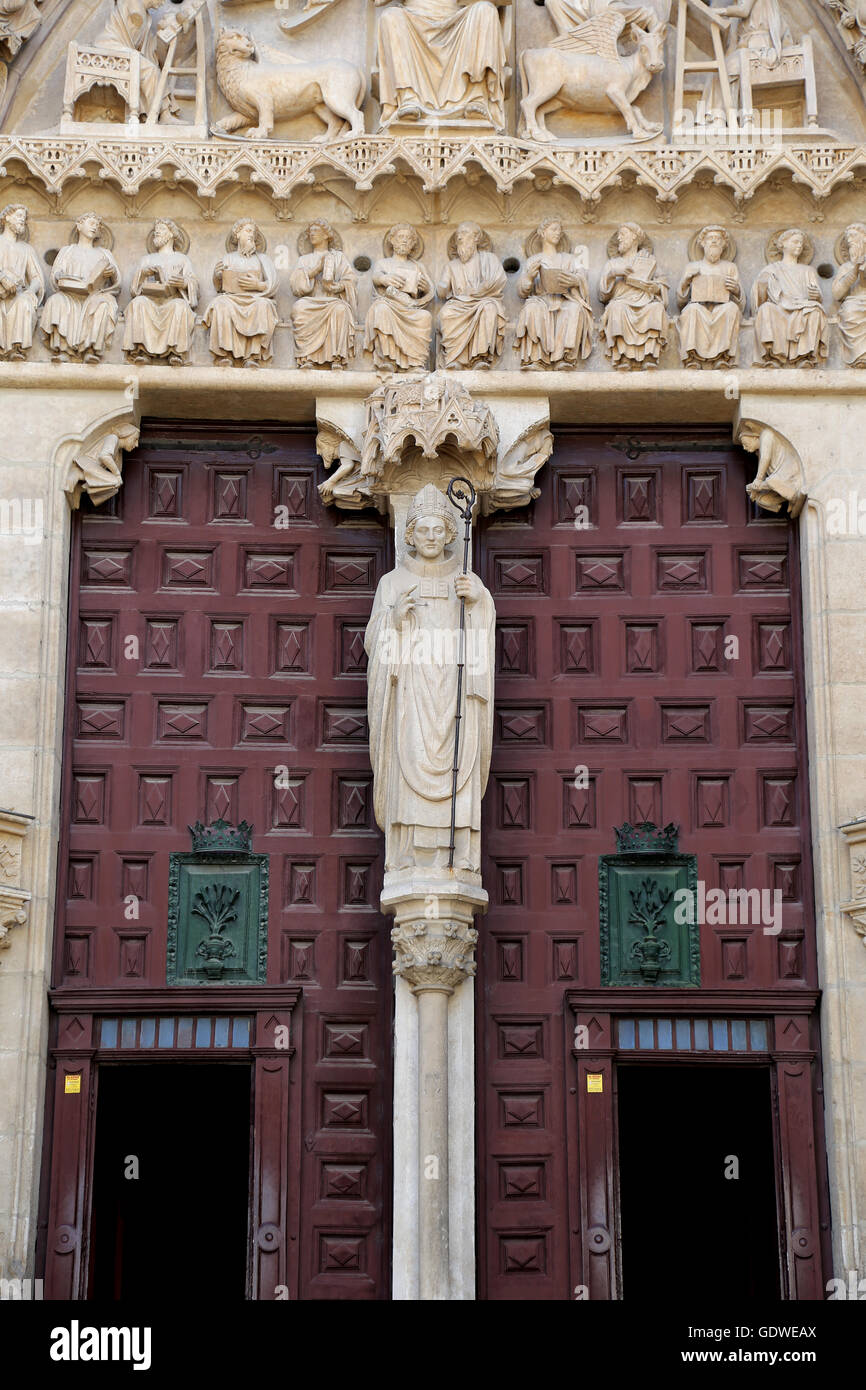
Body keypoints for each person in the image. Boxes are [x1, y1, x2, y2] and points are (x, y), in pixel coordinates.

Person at [364, 483, 495, 876]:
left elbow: (481, 640)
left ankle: (459, 854)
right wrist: (395, 618)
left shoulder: (466, 581)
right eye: (424, 530)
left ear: (451, 533)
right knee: (408, 759)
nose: (432, 537)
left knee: (460, 759)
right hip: (411, 695)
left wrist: (478, 602)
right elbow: (375, 642)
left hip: (455, 695)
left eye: (439, 529)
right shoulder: (392, 583)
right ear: (410, 535)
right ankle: (408, 856)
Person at [374, 0, 506, 128]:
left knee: (486, 9)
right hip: (412, 20)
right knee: (390, 17)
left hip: (460, 21)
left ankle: (476, 97)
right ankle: (409, 97)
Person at [41, 213, 120, 364]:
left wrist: (112, 273)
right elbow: (55, 273)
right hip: (69, 294)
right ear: (79, 226)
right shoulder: (67, 251)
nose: (94, 227)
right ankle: (64, 349)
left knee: (104, 304)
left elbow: (118, 283)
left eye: (97, 225)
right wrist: (60, 276)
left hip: (94, 296)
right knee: (56, 301)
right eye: (91, 223)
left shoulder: (104, 253)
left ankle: (91, 350)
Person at [515, 217, 593, 369]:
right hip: (541, 301)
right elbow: (522, 290)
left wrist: (575, 280)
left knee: (575, 309)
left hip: (565, 299)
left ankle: (565, 357)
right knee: (532, 308)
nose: (558, 233)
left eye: (559, 230)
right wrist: (530, 277)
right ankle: (537, 359)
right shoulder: (533, 260)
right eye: (554, 229)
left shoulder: (570, 259)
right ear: (542, 233)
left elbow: (582, 276)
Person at [124, 218, 198, 366]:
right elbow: (133, 291)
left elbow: (194, 284)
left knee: (180, 306)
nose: (157, 231)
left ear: (171, 234)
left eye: (162, 229)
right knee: (138, 302)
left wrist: (183, 283)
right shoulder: (147, 259)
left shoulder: (182, 259)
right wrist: (143, 275)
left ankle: (175, 352)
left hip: (171, 301)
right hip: (150, 301)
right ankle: (142, 351)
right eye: (156, 229)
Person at [204, 219, 278, 368]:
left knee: (264, 305)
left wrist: (258, 285)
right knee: (220, 304)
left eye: (253, 233)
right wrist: (217, 276)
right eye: (247, 231)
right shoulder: (228, 258)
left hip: (255, 298)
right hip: (232, 298)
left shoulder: (262, 259)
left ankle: (252, 355)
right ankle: (226, 354)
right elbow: (219, 288)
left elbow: (274, 284)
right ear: (237, 234)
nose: (251, 235)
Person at [752, 228, 828, 368]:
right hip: (780, 307)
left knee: (815, 311)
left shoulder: (808, 271)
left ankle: (803, 357)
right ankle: (773, 357)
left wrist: (816, 295)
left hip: (801, 308)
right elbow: (759, 299)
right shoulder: (771, 269)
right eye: (795, 242)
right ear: (783, 244)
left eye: (801, 243)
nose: (799, 245)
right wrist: (763, 284)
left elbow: (818, 297)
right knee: (766, 308)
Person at [364, 223, 433, 372]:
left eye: (408, 238)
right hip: (390, 304)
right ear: (392, 240)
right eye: (400, 237)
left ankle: (414, 363)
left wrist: (426, 289)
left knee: (425, 316)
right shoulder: (384, 263)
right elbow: (376, 277)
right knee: (382, 310)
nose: (404, 241)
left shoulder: (417, 266)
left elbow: (431, 291)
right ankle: (388, 360)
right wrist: (384, 279)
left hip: (409, 307)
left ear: (413, 244)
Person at [599, 221, 668, 369]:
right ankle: (624, 356)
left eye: (623, 234)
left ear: (634, 237)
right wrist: (613, 274)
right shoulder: (613, 263)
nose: (619, 238)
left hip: (645, 302)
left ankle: (650, 355)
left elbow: (662, 283)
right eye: (618, 235)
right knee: (617, 308)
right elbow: (603, 295)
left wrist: (655, 287)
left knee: (656, 308)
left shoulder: (650, 261)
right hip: (622, 301)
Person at [289, 219, 357, 370]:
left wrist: (336, 286)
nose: (312, 234)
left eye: (316, 231)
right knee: (299, 308)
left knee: (341, 309)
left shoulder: (338, 257)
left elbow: (351, 280)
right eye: (310, 231)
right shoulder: (304, 259)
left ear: (326, 235)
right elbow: (296, 287)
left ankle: (336, 358)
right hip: (311, 301)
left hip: (331, 300)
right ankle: (307, 358)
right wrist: (315, 270)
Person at [437, 221, 506, 369]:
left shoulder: (489, 259)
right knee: (446, 313)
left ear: (476, 238)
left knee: (489, 308)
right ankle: (455, 359)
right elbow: (442, 289)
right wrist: (441, 287)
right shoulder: (451, 266)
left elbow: (499, 279)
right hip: (459, 303)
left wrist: (480, 289)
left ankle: (480, 358)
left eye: (465, 233)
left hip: (483, 300)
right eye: (458, 235)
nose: (460, 237)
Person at [676, 224, 743, 369]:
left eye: (718, 239)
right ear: (702, 243)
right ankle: (692, 357)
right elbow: (680, 302)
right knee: (691, 310)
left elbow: (742, 303)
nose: (714, 241)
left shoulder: (730, 267)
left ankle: (722, 357)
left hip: (721, 308)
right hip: (700, 308)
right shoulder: (692, 266)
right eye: (710, 238)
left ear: (724, 245)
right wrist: (685, 282)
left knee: (731, 308)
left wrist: (736, 290)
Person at [0, 203, 43, 361]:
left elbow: (36, 278)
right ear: (6, 217)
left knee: (24, 303)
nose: (22, 220)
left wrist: (30, 291)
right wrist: (3, 278)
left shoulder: (26, 249)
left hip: (17, 295)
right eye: (18, 216)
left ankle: (16, 349)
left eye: (24, 219)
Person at [832, 222, 866, 369]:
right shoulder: (845, 267)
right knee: (849, 310)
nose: (849, 240)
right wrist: (854, 270)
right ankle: (861, 356)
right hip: (854, 302)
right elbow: (837, 294)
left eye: (853, 236)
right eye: (847, 238)